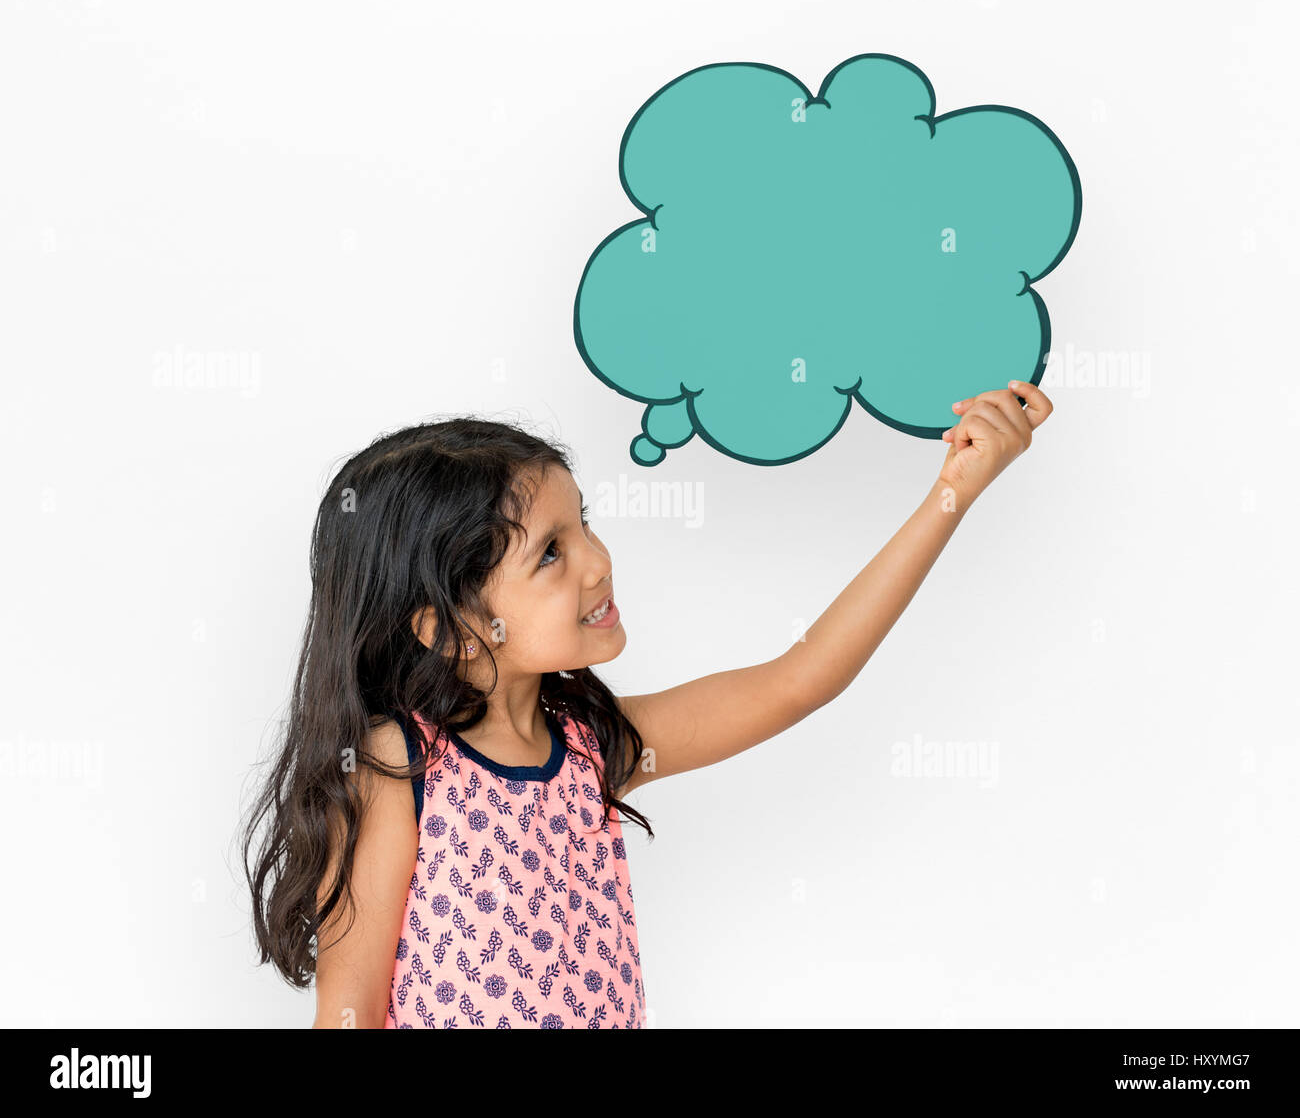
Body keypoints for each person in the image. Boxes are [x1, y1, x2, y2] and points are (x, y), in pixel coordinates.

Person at [241, 380, 1052, 1027]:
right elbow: (349, 1014)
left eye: (583, 525)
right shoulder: (396, 772)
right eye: (551, 553)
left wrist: (954, 491)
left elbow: (802, 678)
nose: (598, 561)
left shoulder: (594, 748)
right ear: (450, 630)